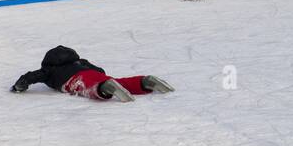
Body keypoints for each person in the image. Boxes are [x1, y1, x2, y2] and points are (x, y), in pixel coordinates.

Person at [10, 45, 174, 102]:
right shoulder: (80, 62)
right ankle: (144, 81)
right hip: (90, 73)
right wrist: (99, 74)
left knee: (86, 87)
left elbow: (32, 76)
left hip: (77, 79)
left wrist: (19, 85)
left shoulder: (49, 69)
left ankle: (104, 88)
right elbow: (100, 70)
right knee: (120, 82)